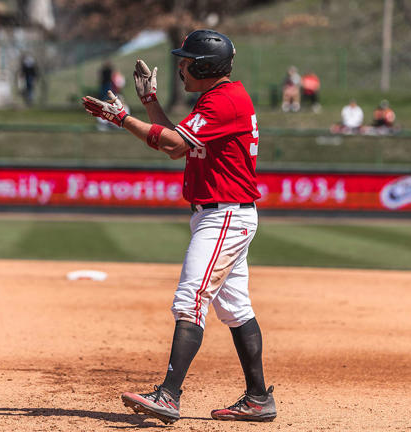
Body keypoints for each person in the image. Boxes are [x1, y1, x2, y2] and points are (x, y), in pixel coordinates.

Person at [82, 29, 276, 424]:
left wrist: (122, 118)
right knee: (235, 308)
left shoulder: (224, 101)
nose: (181, 67)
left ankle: (169, 396)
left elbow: (171, 146)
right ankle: (258, 399)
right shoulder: (219, 97)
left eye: (186, 61)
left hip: (224, 215)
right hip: (221, 213)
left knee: (191, 299)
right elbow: (177, 142)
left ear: (205, 66)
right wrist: (149, 103)